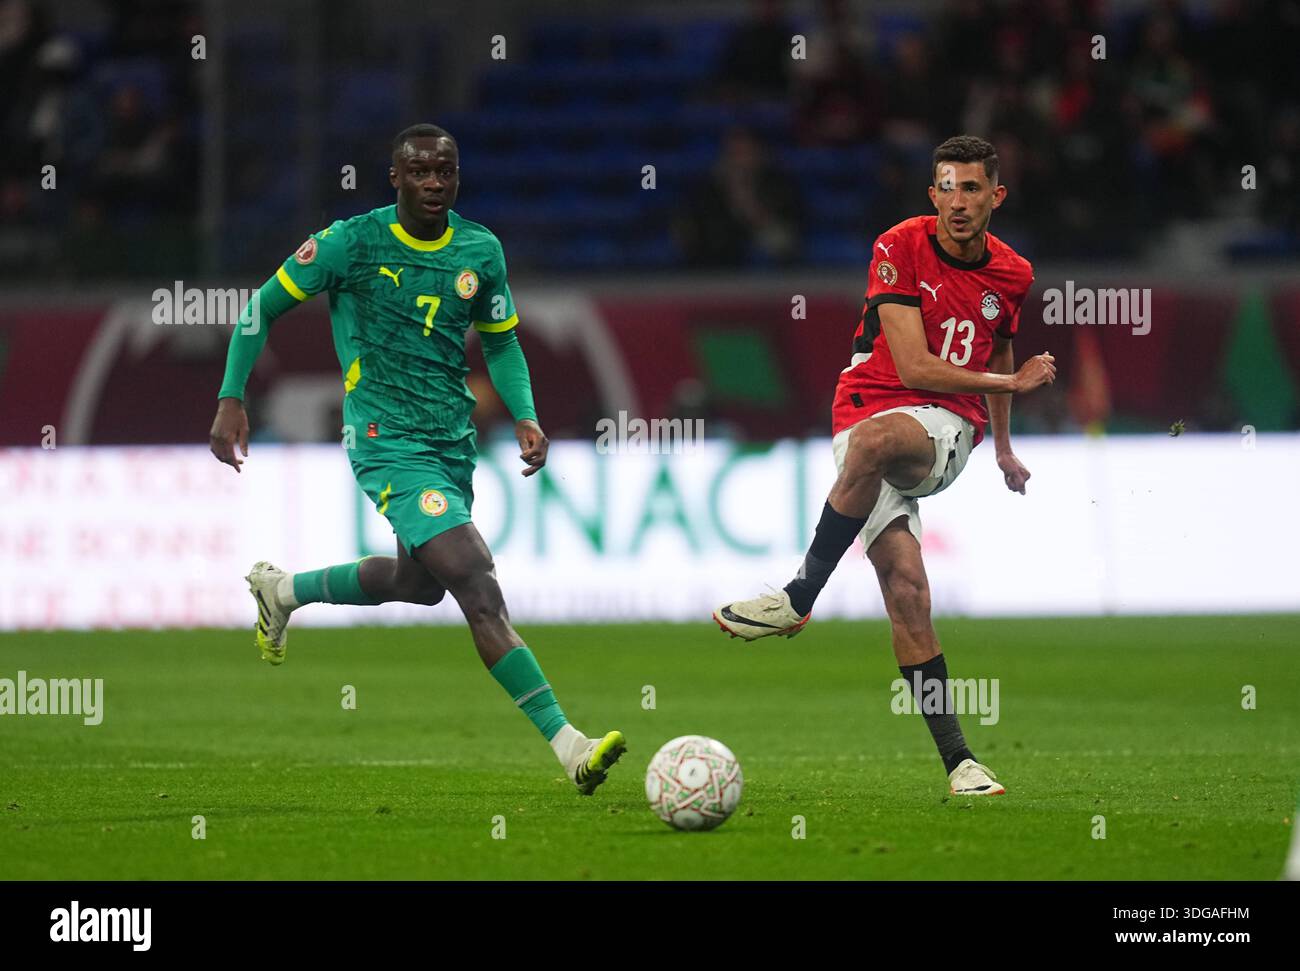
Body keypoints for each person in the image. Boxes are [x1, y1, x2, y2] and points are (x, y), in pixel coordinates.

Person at [208, 123, 626, 796]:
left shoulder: (479, 250)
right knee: (474, 578)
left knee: (419, 582)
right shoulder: (351, 242)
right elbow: (260, 307)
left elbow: (501, 342)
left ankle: (279, 590)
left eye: (447, 172)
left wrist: (524, 413)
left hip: (450, 440)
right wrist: (232, 397)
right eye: (421, 172)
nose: (435, 183)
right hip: (384, 438)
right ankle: (569, 744)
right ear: (395, 178)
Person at [714, 135, 1055, 797]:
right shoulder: (898, 245)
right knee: (906, 589)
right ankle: (961, 762)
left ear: (996, 195)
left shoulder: (1013, 273)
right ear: (932, 194)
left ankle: (797, 597)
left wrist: (1005, 444)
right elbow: (913, 365)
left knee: (877, 445)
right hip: (864, 410)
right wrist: (1013, 385)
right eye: (947, 188)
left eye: (972, 188)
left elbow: (1000, 343)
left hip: (946, 425)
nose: (958, 202)